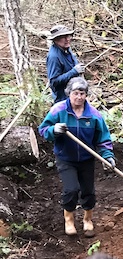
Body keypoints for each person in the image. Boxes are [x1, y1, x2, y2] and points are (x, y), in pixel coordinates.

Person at [38, 77, 116, 237]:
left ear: (86, 95)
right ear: (69, 93)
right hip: (65, 158)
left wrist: (107, 156)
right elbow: (43, 129)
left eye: (82, 93)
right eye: (76, 93)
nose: (79, 97)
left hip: (86, 159)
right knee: (71, 189)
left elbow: (103, 138)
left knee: (88, 191)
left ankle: (88, 220)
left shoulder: (94, 115)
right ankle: (69, 219)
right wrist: (54, 130)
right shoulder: (58, 110)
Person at [46, 23, 85, 103]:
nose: (67, 39)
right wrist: (74, 71)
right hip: (63, 100)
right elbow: (54, 82)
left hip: (74, 95)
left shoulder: (66, 48)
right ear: (56, 40)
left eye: (68, 36)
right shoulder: (54, 57)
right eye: (63, 37)